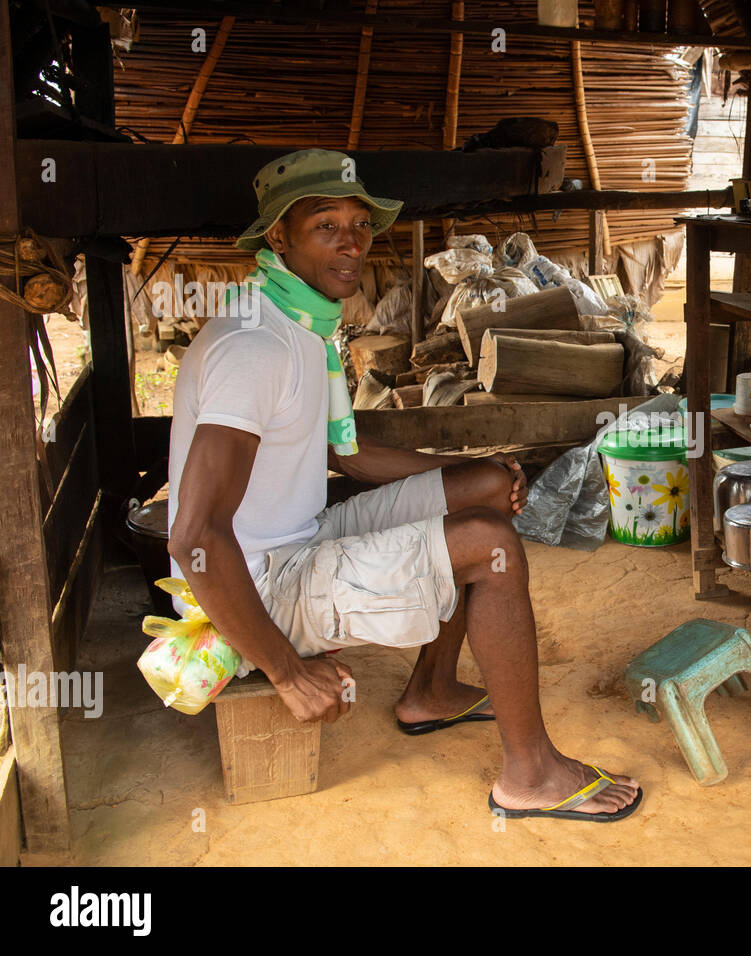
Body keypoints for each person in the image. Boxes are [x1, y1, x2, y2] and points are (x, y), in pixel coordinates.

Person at [166, 148, 641, 821]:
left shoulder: (298, 322)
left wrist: (473, 475)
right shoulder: (256, 348)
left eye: (359, 224)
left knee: (477, 491)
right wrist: (285, 669)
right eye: (325, 225)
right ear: (278, 236)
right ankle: (530, 773)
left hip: (300, 542)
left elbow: (350, 457)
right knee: (491, 546)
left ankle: (433, 690)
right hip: (255, 588)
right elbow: (195, 537)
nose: (352, 242)